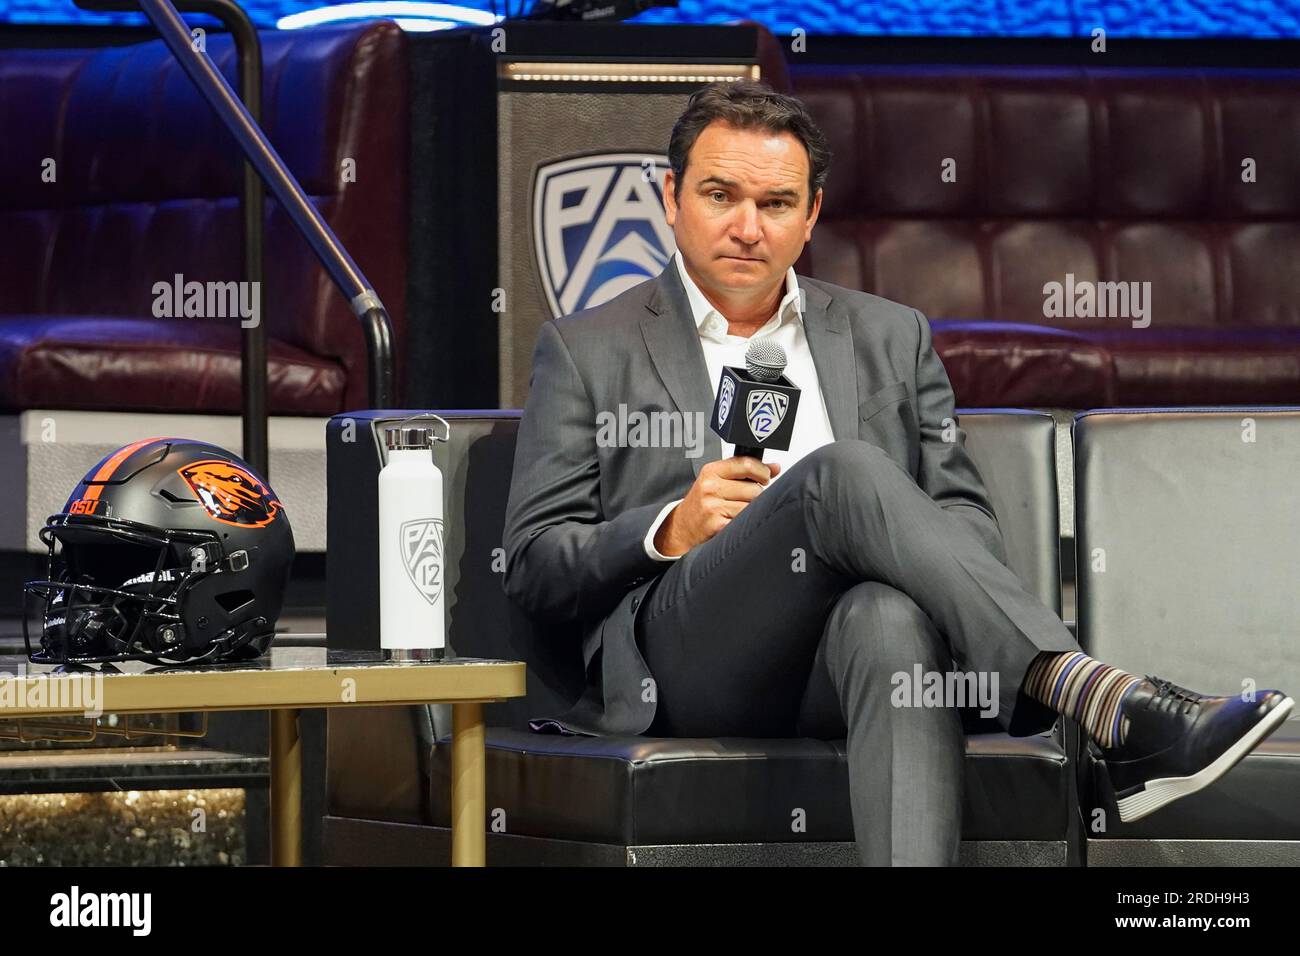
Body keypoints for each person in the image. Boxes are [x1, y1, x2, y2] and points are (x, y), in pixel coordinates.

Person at [501, 80, 1293, 865]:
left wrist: (887, 551)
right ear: (672, 198)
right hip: (689, 656)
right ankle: (1095, 697)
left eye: (776, 204)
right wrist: (667, 529)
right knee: (839, 472)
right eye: (719, 195)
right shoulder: (587, 348)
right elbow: (534, 565)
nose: (747, 227)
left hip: (844, 662)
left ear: (811, 215)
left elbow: (968, 521)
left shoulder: (889, 336)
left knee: (887, 617)